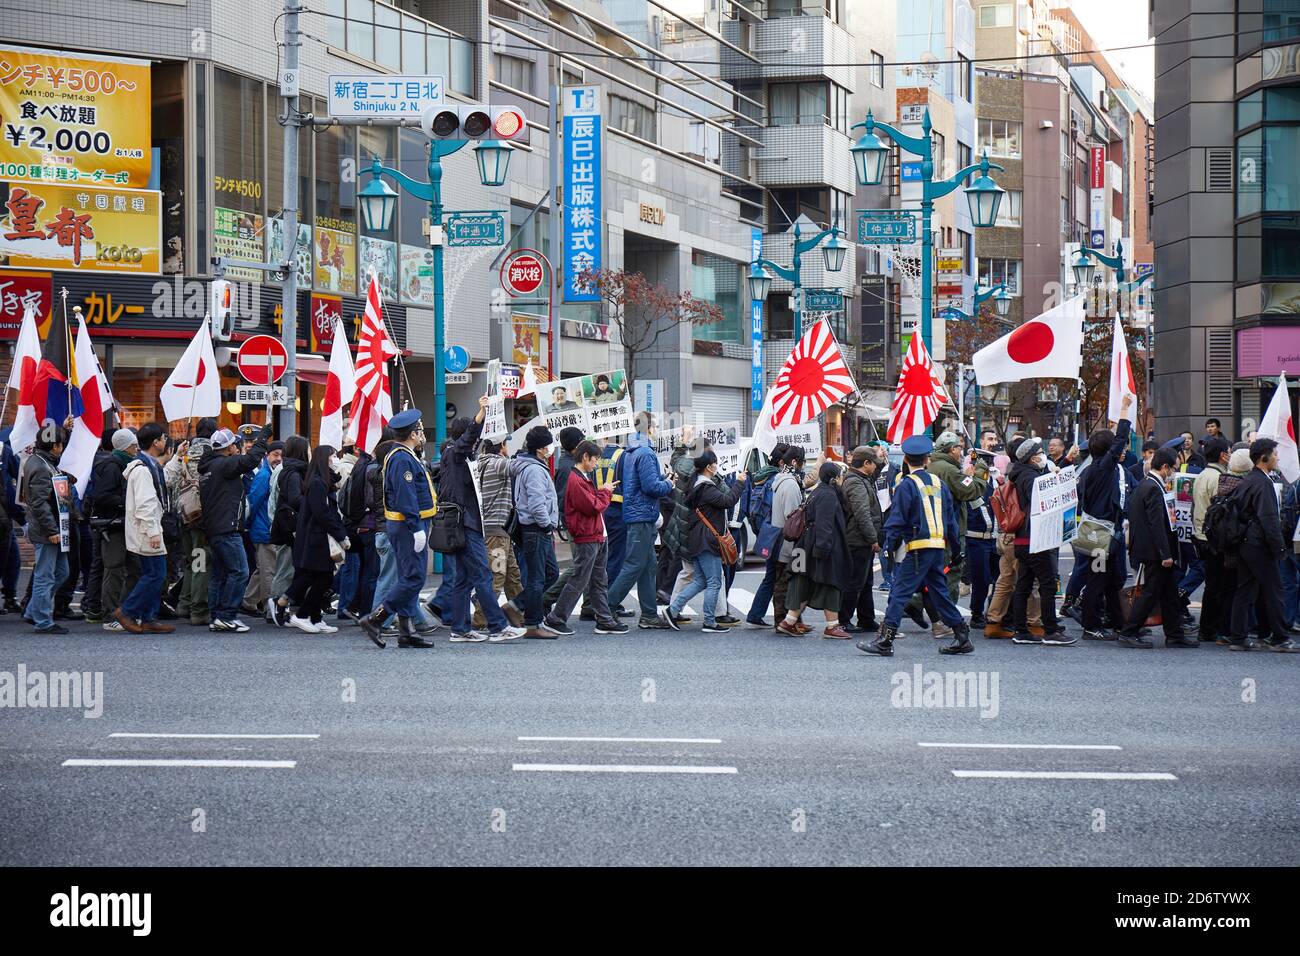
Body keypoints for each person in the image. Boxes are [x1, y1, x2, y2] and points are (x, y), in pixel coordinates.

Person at [858, 435, 972, 657]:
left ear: (907, 460)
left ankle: (885, 641)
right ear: (927, 459)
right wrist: (957, 550)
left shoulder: (907, 484)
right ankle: (962, 636)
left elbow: (897, 519)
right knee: (939, 593)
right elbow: (951, 519)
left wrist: (889, 547)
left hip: (918, 548)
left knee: (900, 592)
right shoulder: (940, 484)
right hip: (939, 547)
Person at [436, 401, 524, 645]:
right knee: (483, 574)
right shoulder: (456, 453)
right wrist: (482, 414)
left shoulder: (455, 457)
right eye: (474, 437)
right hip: (467, 523)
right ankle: (497, 626)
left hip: (466, 523)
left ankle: (460, 628)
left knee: (463, 579)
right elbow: (467, 440)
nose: (477, 442)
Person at [360, 410, 440, 647]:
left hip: (408, 523)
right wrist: (416, 527)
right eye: (420, 431)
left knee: (408, 576)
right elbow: (406, 496)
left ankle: (406, 630)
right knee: (414, 577)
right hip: (407, 525)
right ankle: (376, 619)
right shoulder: (401, 458)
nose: (422, 434)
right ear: (413, 434)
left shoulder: (405, 455)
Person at [542, 440, 629, 636]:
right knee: (580, 580)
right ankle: (556, 618)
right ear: (585, 457)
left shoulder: (582, 477)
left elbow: (593, 503)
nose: (596, 463)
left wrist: (603, 491)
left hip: (596, 535)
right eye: (595, 459)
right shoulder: (576, 479)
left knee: (598, 580)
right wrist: (606, 492)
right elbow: (593, 506)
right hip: (588, 536)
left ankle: (604, 619)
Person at [660, 450, 747, 633]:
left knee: (700, 581)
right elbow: (728, 500)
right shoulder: (706, 487)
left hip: (698, 539)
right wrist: (739, 482)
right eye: (715, 463)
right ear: (709, 467)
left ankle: (673, 609)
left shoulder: (696, 485)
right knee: (714, 581)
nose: (717, 466)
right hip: (708, 540)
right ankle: (709, 621)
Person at [1117, 448, 1196, 648]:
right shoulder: (1152, 488)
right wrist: (1165, 553)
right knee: (1150, 593)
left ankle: (1175, 634)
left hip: (1152, 550)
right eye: (1173, 469)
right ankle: (1129, 631)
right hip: (1154, 552)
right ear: (1164, 467)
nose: (1174, 473)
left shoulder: (1148, 484)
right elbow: (1156, 524)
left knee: (1169, 593)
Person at [1227, 438, 1300, 652]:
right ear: (1263, 458)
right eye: (1275, 454)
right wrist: (1279, 548)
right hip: (1259, 545)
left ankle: (1238, 638)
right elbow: (1268, 519)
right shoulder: (1264, 484)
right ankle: (1279, 638)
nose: (1277, 458)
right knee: (1274, 589)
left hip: (1245, 543)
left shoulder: (1249, 480)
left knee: (1245, 590)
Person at [199, 424, 272, 633]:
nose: (238, 448)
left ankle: (217, 616)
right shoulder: (224, 465)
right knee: (240, 571)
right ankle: (226, 615)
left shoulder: (209, 467)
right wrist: (263, 438)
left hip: (214, 527)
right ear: (229, 447)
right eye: (236, 445)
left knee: (220, 575)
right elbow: (250, 461)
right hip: (227, 527)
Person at [606, 412, 675, 629]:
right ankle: (606, 607)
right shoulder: (645, 453)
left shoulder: (630, 452)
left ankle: (649, 615)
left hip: (637, 513)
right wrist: (669, 485)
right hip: (642, 515)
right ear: (650, 429)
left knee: (647, 566)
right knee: (635, 565)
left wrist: (662, 480)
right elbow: (650, 487)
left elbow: (639, 484)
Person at [1075, 404, 1134, 641]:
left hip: (1106, 532)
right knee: (1097, 580)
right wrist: (1123, 413)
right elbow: (1119, 441)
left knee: (1113, 579)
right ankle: (1090, 625)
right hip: (1099, 535)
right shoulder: (1100, 469)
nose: (1121, 450)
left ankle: (1117, 621)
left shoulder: (1095, 468)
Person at [1007, 437, 1072, 645]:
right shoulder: (1030, 477)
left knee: (1024, 585)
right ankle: (1051, 631)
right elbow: (1038, 503)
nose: (1043, 456)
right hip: (1035, 538)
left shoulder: (1020, 474)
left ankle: (1021, 631)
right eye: (1040, 454)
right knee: (1047, 584)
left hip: (1023, 539)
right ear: (1033, 457)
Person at [776, 460, 851, 638]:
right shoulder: (829, 495)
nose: (842, 479)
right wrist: (823, 550)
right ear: (835, 478)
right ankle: (832, 626)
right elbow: (824, 525)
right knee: (830, 582)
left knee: (802, 583)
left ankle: (789, 622)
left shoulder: (818, 491)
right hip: (819, 547)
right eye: (841, 475)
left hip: (804, 545)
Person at [114, 429, 174, 634]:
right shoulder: (142, 469)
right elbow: (145, 503)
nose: (166, 441)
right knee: (155, 574)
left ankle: (148, 617)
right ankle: (127, 611)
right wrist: (153, 531)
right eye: (164, 437)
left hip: (150, 527)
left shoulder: (149, 465)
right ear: (156, 442)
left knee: (154, 574)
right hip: (147, 529)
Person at [284, 445, 350, 634]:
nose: (334, 460)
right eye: (332, 456)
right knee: (322, 578)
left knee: (322, 577)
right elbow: (322, 513)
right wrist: (341, 535)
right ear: (324, 459)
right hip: (316, 538)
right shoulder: (317, 483)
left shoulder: (320, 481)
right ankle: (303, 615)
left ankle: (315, 617)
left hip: (317, 537)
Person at [20, 426, 71, 634]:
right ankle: (43, 620)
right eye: (61, 444)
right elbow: (39, 503)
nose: (62, 447)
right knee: (46, 575)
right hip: (48, 531)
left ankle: (34, 611)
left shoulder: (40, 461)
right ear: (54, 446)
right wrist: (51, 530)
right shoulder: (42, 467)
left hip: (51, 528)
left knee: (61, 572)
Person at [90, 428, 138, 625]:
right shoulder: (112, 466)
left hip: (123, 524)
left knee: (134, 569)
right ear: (126, 447)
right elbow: (101, 496)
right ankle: (112, 614)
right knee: (114, 568)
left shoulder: (122, 464)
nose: (136, 448)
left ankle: (124, 610)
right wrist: (127, 502)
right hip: (114, 526)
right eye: (134, 445)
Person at [1191, 436, 1232, 643]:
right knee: (1217, 586)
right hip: (1213, 538)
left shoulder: (1203, 474)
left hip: (1201, 535)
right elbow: (1220, 512)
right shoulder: (1218, 478)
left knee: (1212, 584)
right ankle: (1209, 628)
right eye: (1229, 451)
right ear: (1223, 455)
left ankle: (1208, 627)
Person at [745, 443, 790, 627]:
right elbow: (776, 510)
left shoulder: (761, 477)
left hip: (764, 532)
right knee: (775, 576)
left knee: (771, 575)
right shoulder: (775, 480)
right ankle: (765, 615)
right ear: (781, 462)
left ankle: (756, 613)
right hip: (774, 533)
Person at [267, 436, 309, 626]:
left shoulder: (292, 470)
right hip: (288, 526)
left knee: (291, 567)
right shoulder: (289, 471)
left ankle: (284, 605)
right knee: (285, 568)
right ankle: (275, 605)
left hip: (288, 524)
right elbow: (288, 500)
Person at [840, 446, 882, 633]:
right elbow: (862, 514)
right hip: (857, 539)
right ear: (866, 463)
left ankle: (866, 618)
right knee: (855, 582)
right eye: (874, 463)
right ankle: (844, 619)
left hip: (861, 539)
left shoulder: (861, 478)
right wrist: (873, 538)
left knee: (866, 582)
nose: (875, 467)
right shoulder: (856, 483)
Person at [243, 439, 282, 617]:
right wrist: (249, 525)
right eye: (275, 454)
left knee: (262, 569)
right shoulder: (264, 476)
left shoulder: (271, 473)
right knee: (269, 571)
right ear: (267, 455)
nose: (278, 458)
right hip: (264, 530)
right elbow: (253, 502)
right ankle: (269, 609)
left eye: (282, 455)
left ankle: (247, 601)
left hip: (266, 529)